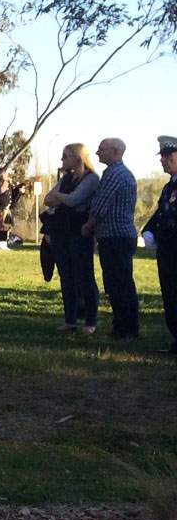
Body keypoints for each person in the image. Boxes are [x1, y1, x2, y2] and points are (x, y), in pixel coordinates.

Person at [86, 137, 139, 340]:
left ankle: (125, 328)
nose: (98, 153)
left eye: (102, 149)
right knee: (120, 282)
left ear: (115, 152)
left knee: (119, 283)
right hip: (121, 236)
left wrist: (88, 225)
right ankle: (124, 326)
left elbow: (100, 205)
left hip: (115, 236)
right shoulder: (123, 173)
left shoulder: (113, 174)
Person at [143, 135, 177, 355]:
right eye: (162, 155)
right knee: (170, 293)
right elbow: (161, 212)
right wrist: (148, 230)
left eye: (168, 155)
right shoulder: (168, 187)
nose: (162, 160)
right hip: (167, 249)